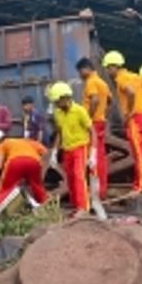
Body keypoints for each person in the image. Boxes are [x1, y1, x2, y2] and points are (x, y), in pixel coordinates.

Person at [103, 51, 142, 192]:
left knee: (139, 154)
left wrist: (130, 111)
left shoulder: (121, 79)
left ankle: (141, 185)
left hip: (136, 119)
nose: (107, 72)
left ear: (114, 67)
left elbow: (130, 92)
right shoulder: (134, 76)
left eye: (108, 68)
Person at [49, 82, 97, 213]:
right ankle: (76, 205)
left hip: (80, 148)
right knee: (70, 178)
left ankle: (83, 208)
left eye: (57, 101)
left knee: (78, 176)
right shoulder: (58, 113)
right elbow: (60, 133)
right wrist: (54, 151)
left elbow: (92, 131)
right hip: (67, 150)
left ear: (65, 98)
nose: (56, 105)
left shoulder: (79, 111)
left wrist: (93, 153)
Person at [77, 57, 111, 200]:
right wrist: (103, 114)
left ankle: (95, 193)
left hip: (94, 123)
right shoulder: (102, 82)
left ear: (85, 69)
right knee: (100, 157)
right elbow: (110, 101)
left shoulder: (91, 81)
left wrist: (89, 119)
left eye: (79, 71)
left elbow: (95, 100)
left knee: (93, 158)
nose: (79, 75)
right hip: (101, 121)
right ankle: (102, 190)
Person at [0, 128, 49, 207]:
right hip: (34, 162)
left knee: (7, 187)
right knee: (37, 186)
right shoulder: (26, 141)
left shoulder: (3, 144)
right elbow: (46, 152)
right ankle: (45, 204)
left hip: (15, 162)